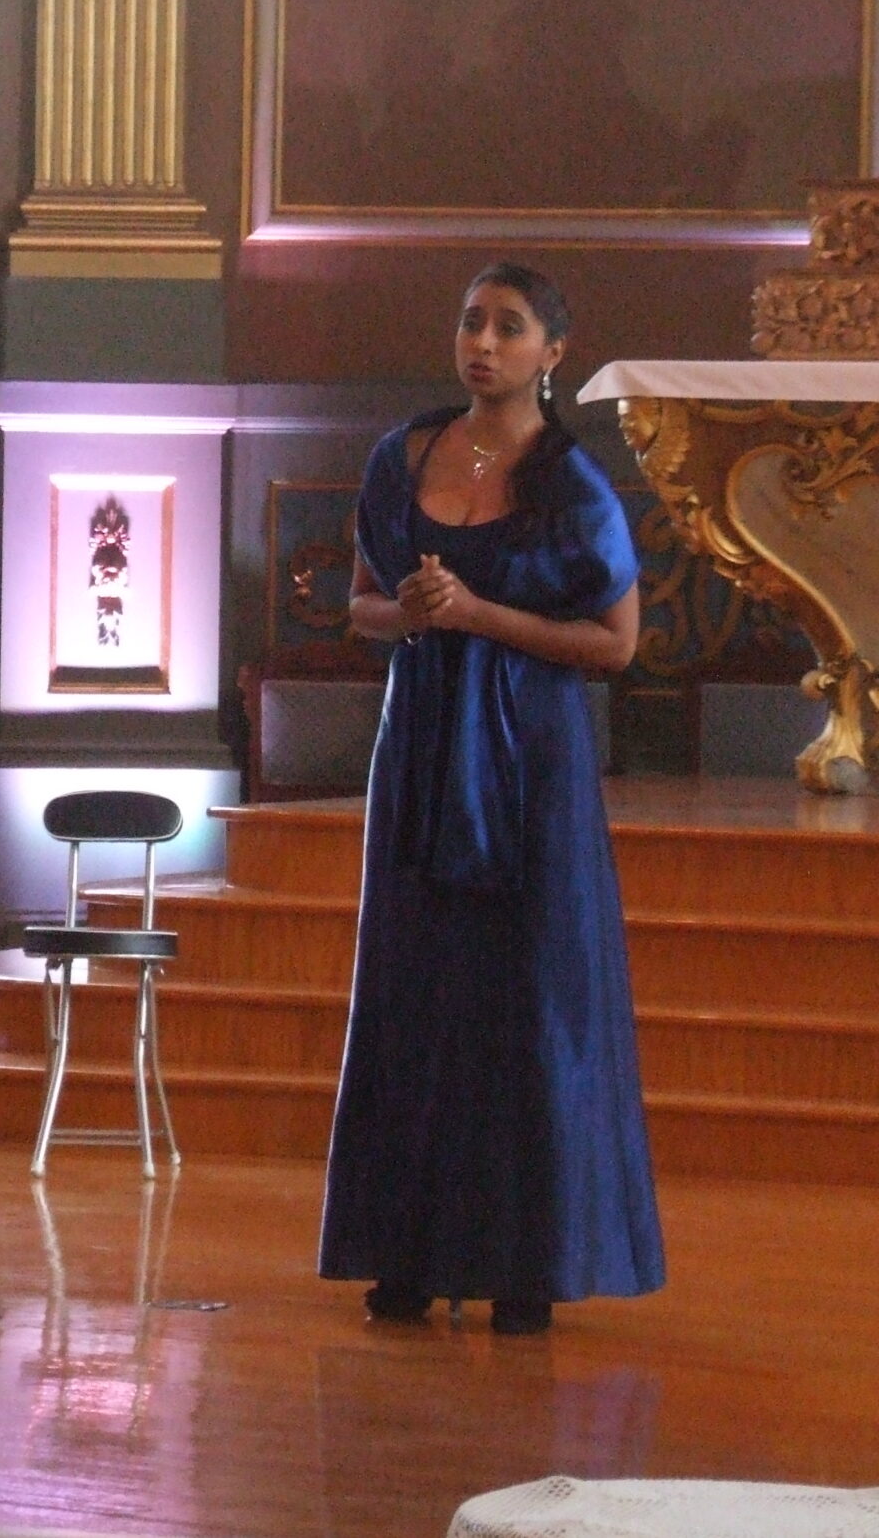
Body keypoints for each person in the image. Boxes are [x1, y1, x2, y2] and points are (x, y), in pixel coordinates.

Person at [318, 262, 666, 1336]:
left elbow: (613, 645)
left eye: (508, 328)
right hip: (420, 748)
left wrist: (479, 615)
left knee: (524, 1000)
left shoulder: (573, 482)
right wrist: (414, 614)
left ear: (551, 354)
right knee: (416, 995)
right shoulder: (402, 454)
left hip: (532, 764)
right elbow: (359, 611)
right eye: (470, 321)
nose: (481, 342)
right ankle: (406, 1259)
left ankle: (528, 1265)